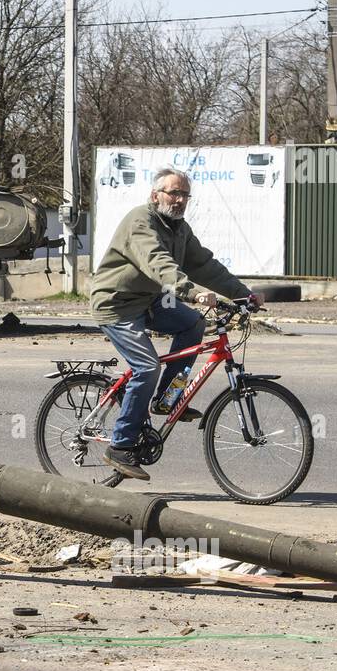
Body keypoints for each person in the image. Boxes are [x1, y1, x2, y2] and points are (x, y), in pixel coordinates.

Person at [89, 167, 255, 480]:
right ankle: (120, 446)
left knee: (192, 326)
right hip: (116, 304)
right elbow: (158, 265)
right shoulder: (141, 221)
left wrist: (244, 295)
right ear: (156, 196)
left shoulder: (179, 228)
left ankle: (166, 401)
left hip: (148, 301)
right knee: (147, 367)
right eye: (173, 193)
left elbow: (204, 265)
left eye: (184, 195)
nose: (179, 200)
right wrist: (192, 293)